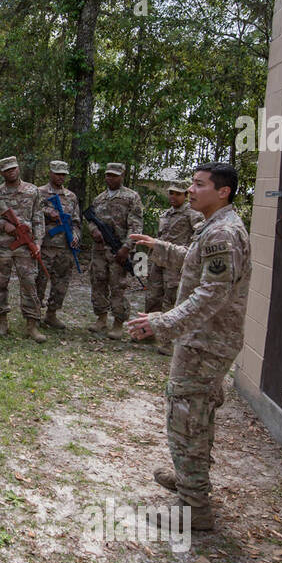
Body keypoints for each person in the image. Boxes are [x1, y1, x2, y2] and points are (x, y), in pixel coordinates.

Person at [127, 162, 251, 532]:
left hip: (205, 342)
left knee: (187, 418)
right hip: (206, 339)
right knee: (196, 413)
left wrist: (160, 323)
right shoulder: (215, 227)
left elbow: (210, 295)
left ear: (223, 191)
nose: (191, 190)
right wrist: (158, 248)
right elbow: (197, 265)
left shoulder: (222, 233)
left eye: (198, 185)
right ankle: (189, 480)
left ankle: (194, 506)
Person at [0, 156, 46, 342]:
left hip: (26, 247)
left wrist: (38, 243)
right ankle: (2, 322)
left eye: (14, 168)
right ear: (2, 173)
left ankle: (32, 325)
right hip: (1, 247)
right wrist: (3, 224)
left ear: (18, 168)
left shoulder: (32, 191)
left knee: (29, 284)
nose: (11, 172)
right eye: (7, 170)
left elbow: (38, 218)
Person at [87, 162, 143, 339]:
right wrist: (93, 230)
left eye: (114, 175)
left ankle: (118, 323)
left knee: (118, 286)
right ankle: (101, 319)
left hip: (119, 250)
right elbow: (91, 220)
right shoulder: (99, 198)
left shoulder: (131, 197)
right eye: (108, 175)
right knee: (98, 282)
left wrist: (127, 247)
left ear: (122, 175)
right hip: (99, 250)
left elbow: (136, 225)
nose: (110, 178)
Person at [145, 184, 202, 317]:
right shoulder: (167, 214)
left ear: (185, 195)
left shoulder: (192, 213)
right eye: (171, 193)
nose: (173, 196)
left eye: (177, 194)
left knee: (172, 299)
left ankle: (168, 334)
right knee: (153, 296)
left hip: (175, 263)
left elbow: (201, 236)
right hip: (159, 260)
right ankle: (149, 330)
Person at [37, 160, 81, 330]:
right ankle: (35, 314)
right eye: (57, 173)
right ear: (50, 173)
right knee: (39, 281)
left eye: (63, 174)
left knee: (61, 283)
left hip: (64, 247)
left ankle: (52, 314)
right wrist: (50, 213)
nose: (60, 177)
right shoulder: (39, 193)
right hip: (45, 245)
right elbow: (32, 212)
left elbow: (76, 221)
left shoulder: (71, 196)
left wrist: (76, 236)